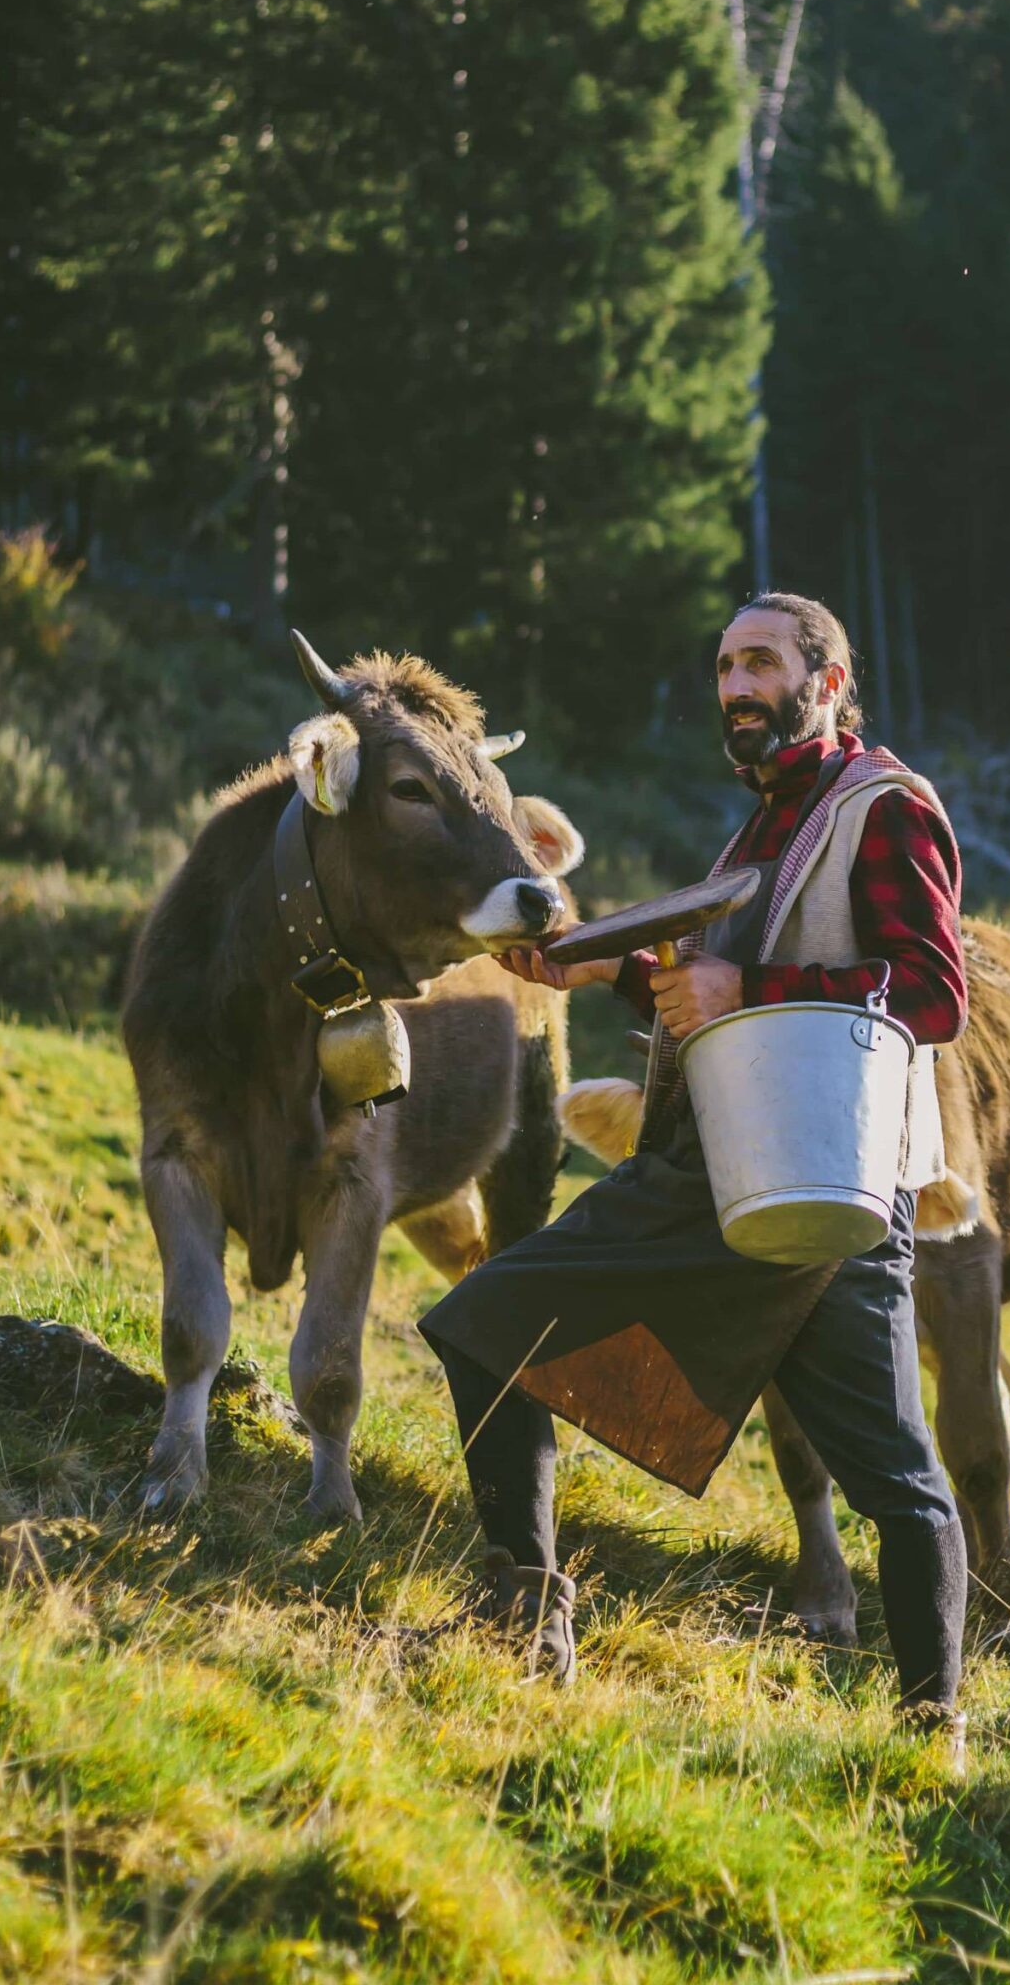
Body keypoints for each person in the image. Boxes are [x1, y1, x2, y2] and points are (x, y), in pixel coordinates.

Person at [417, 592, 970, 1748]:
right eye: (723, 667)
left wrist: (745, 991)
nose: (734, 686)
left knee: (897, 1484)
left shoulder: (882, 807)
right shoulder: (761, 828)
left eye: (760, 662)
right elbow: (704, 991)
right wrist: (582, 969)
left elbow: (932, 993)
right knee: (484, 1328)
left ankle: (934, 1734)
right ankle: (525, 1615)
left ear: (826, 679)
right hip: (712, 1174)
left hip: (833, 1183)